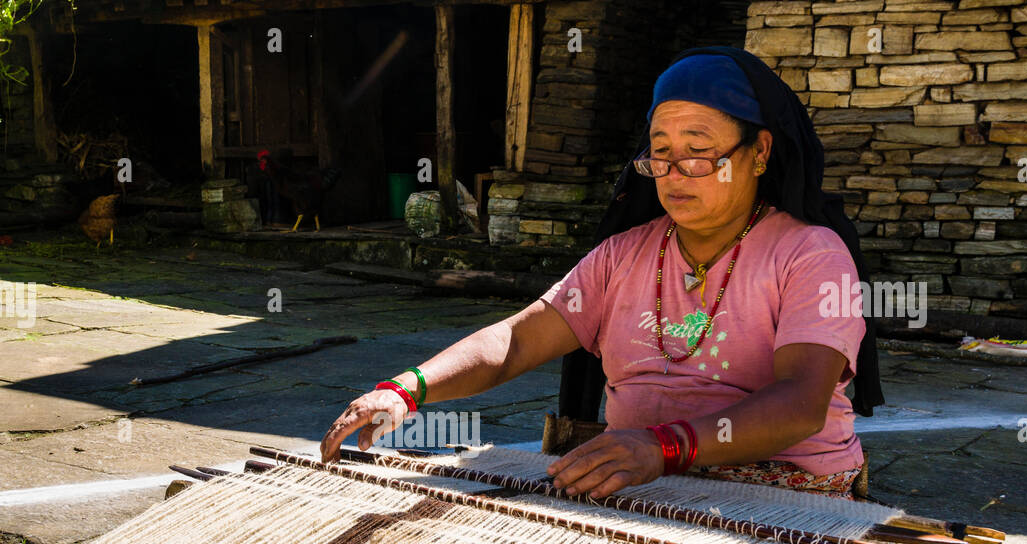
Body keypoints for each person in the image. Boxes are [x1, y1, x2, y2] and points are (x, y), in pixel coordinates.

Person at [320, 48, 880, 500]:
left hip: (779, 491)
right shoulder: (623, 255)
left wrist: (663, 448)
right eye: (659, 154)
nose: (674, 173)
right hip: (638, 475)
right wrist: (403, 391)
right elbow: (516, 342)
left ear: (759, 152)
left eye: (699, 153)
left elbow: (803, 400)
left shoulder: (812, 255)